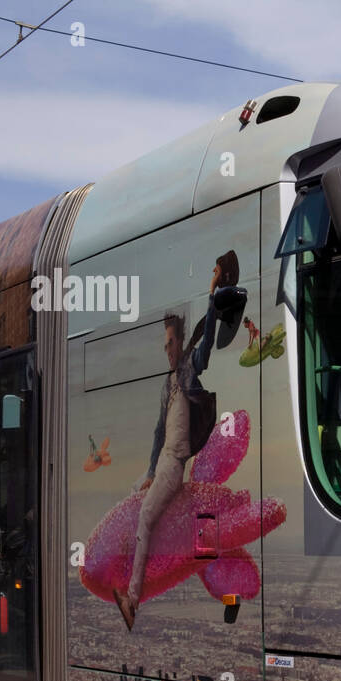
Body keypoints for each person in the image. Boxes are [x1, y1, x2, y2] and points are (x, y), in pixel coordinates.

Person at [113, 251, 233, 630]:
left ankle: (133, 599)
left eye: (170, 342)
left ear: (180, 341)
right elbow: (157, 431)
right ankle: (125, 577)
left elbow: (208, 343)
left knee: (146, 518)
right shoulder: (167, 384)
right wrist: (148, 471)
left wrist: (212, 295)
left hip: (174, 463)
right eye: (163, 344)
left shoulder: (188, 369)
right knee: (132, 503)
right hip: (161, 461)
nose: (166, 349)